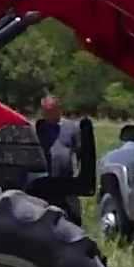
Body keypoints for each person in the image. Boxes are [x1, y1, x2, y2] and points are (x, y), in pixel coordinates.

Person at [35, 94, 83, 225]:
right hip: (46, 179)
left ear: (59, 110)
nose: (48, 115)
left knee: (72, 213)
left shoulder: (72, 127)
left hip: (66, 178)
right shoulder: (38, 128)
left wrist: (79, 174)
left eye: (52, 111)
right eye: (46, 111)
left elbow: (80, 152)